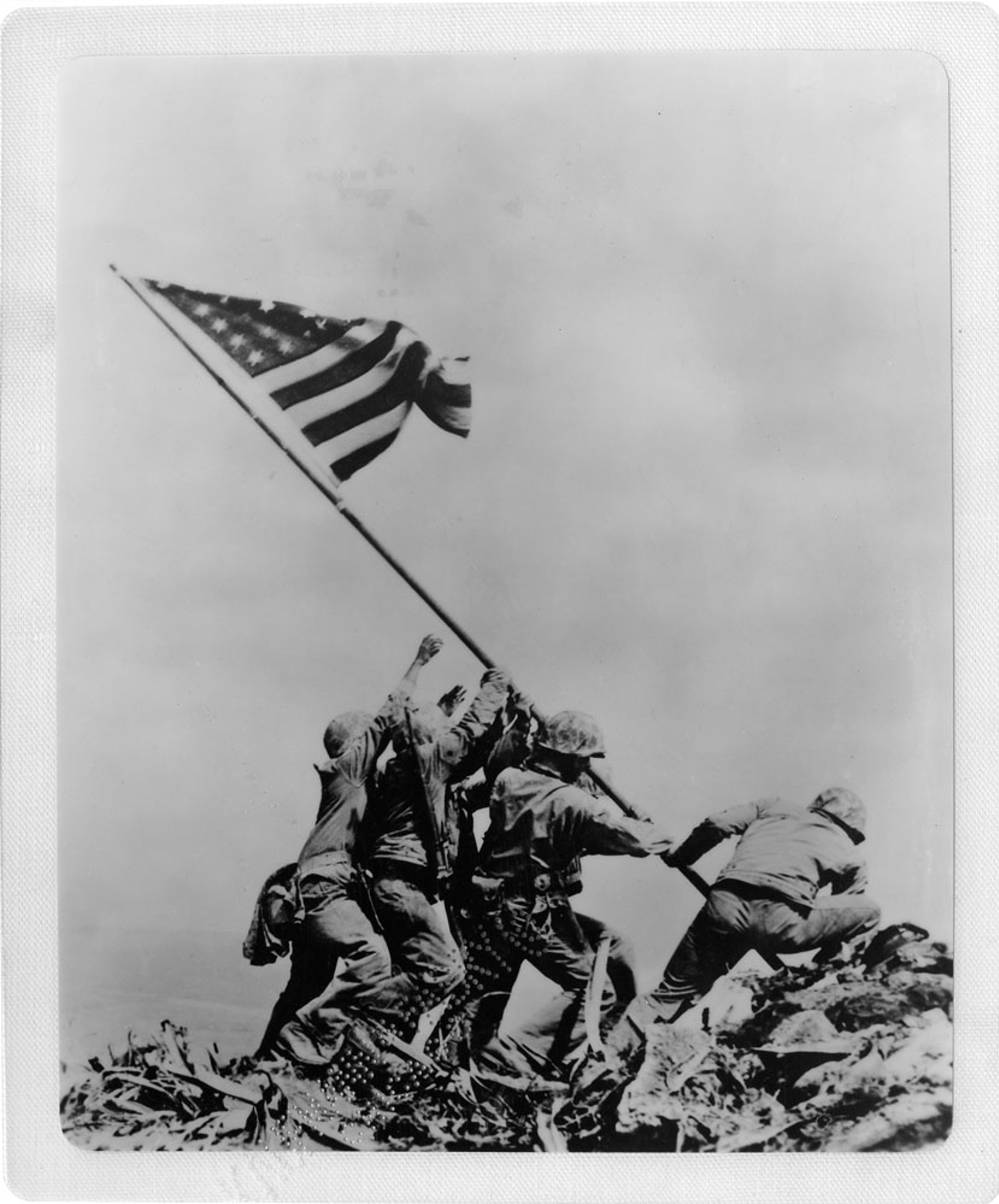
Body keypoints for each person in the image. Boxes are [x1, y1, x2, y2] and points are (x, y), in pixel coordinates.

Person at [437, 710, 673, 1068]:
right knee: (598, 990)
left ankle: (446, 1062)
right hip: (531, 911)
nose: (585, 766)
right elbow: (635, 841)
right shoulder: (574, 804)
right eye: (584, 759)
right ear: (572, 757)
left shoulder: (509, 780)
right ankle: (518, 1060)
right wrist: (650, 827)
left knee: (483, 992)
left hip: (491, 903)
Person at [270, 634, 443, 1066]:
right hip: (325, 886)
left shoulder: (356, 785)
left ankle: (266, 1060)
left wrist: (443, 711)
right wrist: (419, 662)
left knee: (307, 983)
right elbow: (388, 719)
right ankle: (312, 1036)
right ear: (353, 745)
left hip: (320, 887)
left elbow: (411, 746)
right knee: (372, 958)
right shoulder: (346, 771)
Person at [627, 786, 881, 1028]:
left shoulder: (772, 806)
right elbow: (843, 916)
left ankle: (607, 1055)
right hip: (781, 923)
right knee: (870, 912)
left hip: (724, 909)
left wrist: (681, 857)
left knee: (669, 996)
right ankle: (817, 980)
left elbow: (717, 824)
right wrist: (818, 967)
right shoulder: (851, 853)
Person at [360, 666, 512, 1036]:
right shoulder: (428, 762)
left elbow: (473, 755)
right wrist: (495, 686)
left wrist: (505, 723)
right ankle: (354, 1020)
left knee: (413, 973)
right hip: (402, 887)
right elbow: (467, 732)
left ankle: (380, 1043)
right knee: (447, 970)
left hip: (393, 886)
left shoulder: (403, 770)